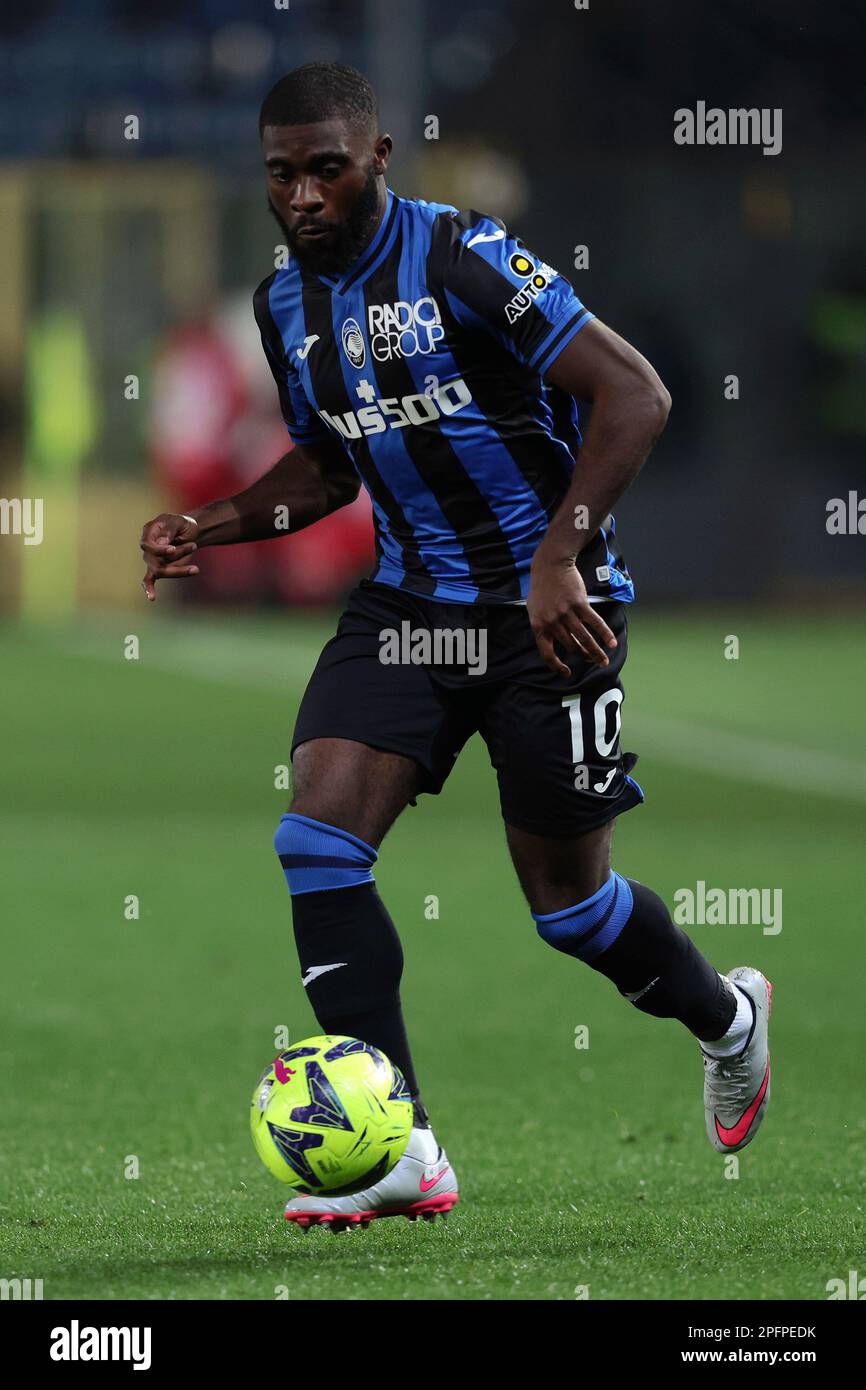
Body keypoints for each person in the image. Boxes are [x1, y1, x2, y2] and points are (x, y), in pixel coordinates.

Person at [140, 63, 772, 1230]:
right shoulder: (285, 306)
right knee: (316, 836)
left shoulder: (463, 259)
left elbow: (635, 394)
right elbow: (327, 467)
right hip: (410, 607)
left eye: (327, 168)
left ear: (378, 158)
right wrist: (211, 522)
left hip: (550, 613)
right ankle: (405, 1147)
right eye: (281, 174)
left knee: (570, 909)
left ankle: (727, 1020)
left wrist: (556, 558)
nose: (303, 195)